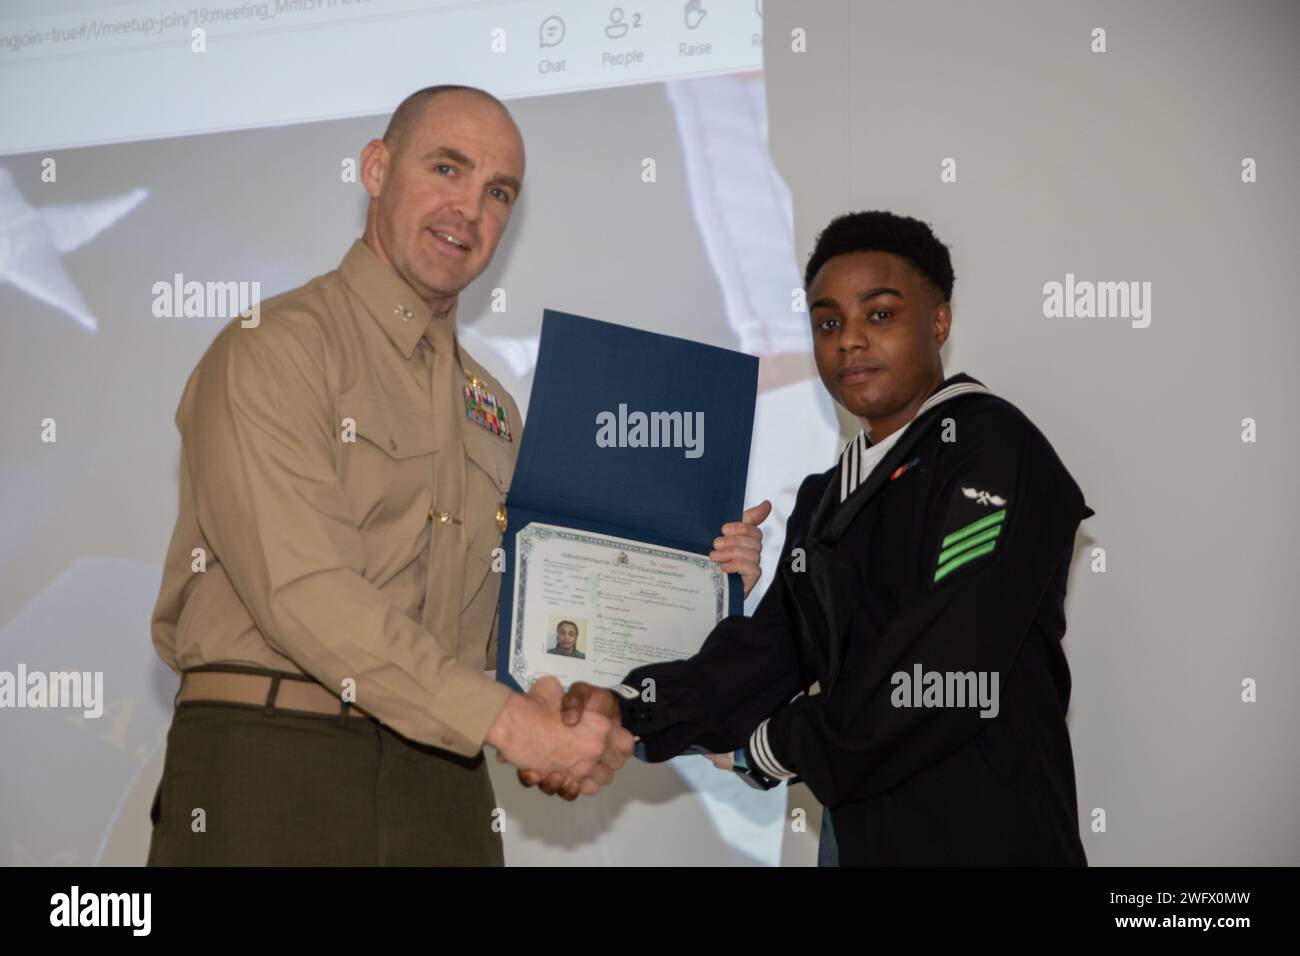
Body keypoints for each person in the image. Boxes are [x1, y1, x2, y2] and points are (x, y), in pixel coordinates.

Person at [146, 84, 768, 865]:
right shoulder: (276, 348)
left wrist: (698, 578)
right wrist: (510, 725)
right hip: (277, 760)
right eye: (447, 168)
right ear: (377, 168)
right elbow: (303, 590)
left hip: (442, 772)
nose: (469, 209)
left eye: (497, 191)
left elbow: (526, 616)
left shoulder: (495, 409)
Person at [526, 211, 1095, 867]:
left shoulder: (992, 449)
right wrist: (629, 708)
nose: (849, 341)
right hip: (858, 838)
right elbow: (768, 654)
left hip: (987, 836)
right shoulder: (829, 497)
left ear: (938, 321)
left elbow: (944, 667)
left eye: (879, 315)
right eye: (828, 323)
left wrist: (773, 746)